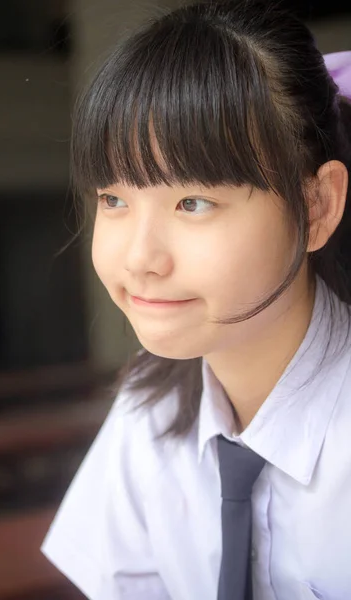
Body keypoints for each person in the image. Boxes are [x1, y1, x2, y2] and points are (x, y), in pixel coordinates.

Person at [41, 1, 351, 599]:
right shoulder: (150, 409)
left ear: (315, 206)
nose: (139, 258)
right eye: (113, 199)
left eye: (193, 203)